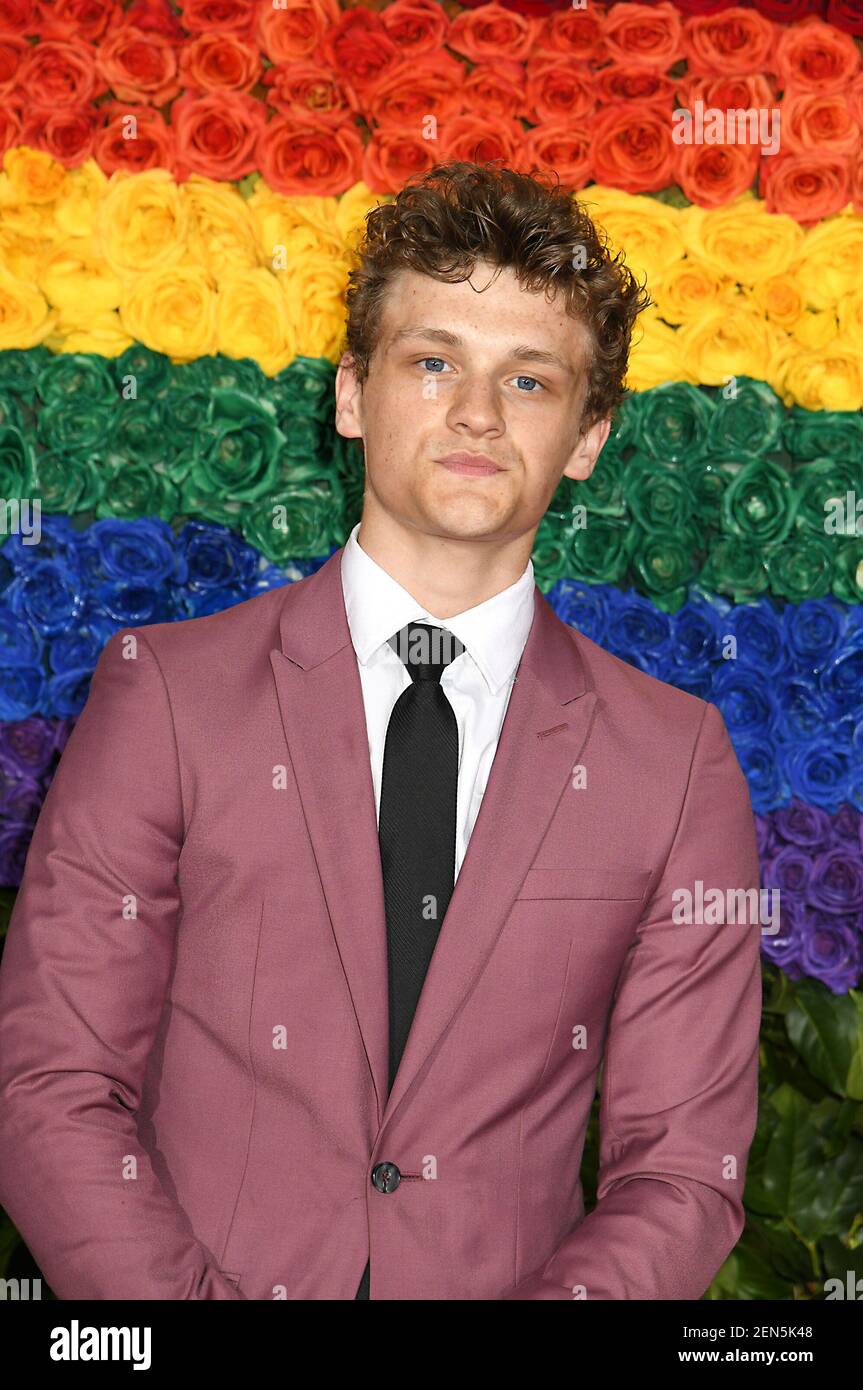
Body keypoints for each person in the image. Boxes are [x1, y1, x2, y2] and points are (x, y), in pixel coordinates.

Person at [0, 161, 762, 1300]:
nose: (473, 413)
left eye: (529, 380)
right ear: (351, 394)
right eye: (433, 361)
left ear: (590, 434)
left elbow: (681, 1176)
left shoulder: (672, 763)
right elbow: (49, 1083)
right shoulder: (165, 696)